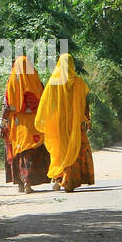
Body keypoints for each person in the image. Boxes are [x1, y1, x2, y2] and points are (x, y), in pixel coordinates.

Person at [34, 53, 94, 193]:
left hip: (56, 123)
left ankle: (56, 179)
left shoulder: (53, 82)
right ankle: (68, 181)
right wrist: (87, 119)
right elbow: (85, 103)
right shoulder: (78, 82)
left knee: (58, 151)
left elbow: (45, 104)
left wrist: (45, 121)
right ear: (72, 64)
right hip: (74, 123)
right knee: (72, 150)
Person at [1, 55, 52, 193]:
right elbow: (44, 101)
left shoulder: (12, 82)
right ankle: (29, 184)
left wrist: (2, 122)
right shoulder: (36, 81)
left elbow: (6, 105)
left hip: (18, 124)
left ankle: (20, 184)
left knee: (19, 150)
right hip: (35, 123)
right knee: (33, 150)